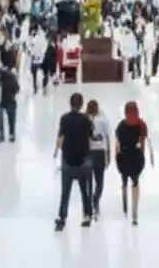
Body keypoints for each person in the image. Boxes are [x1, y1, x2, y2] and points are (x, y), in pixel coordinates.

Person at [53, 92, 95, 231]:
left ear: (70, 104)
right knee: (85, 190)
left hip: (68, 160)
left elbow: (61, 136)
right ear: (82, 104)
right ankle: (87, 215)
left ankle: (62, 218)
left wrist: (57, 150)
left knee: (65, 191)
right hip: (83, 160)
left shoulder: (64, 119)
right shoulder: (86, 119)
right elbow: (91, 137)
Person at [115, 100, 152, 225]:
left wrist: (117, 158)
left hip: (123, 157)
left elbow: (117, 144)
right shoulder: (141, 124)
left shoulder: (121, 126)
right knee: (135, 182)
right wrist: (141, 156)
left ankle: (125, 205)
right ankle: (135, 212)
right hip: (136, 157)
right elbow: (143, 144)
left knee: (124, 181)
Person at [87, 99, 112, 220]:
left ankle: (90, 204)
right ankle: (95, 199)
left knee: (89, 180)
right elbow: (107, 137)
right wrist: (109, 154)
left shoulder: (85, 120)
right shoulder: (103, 120)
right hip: (100, 152)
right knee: (100, 181)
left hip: (88, 152)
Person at [0, 62, 20, 143]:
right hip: (11, 101)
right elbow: (17, 89)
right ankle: (11, 135)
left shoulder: (0, 78)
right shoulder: (13, 77)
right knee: (11, 119)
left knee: (1, 120)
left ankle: (2, 136)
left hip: (2, 101)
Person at [27, 27, 50, 94]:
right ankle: (43, 86)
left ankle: (35, 87)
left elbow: (30, 48)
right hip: (42, 59)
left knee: (34, 74)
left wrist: (32, 54)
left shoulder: (34, 38)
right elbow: (45, 49)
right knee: (45, 73)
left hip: (36, 59)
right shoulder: (44, 38)